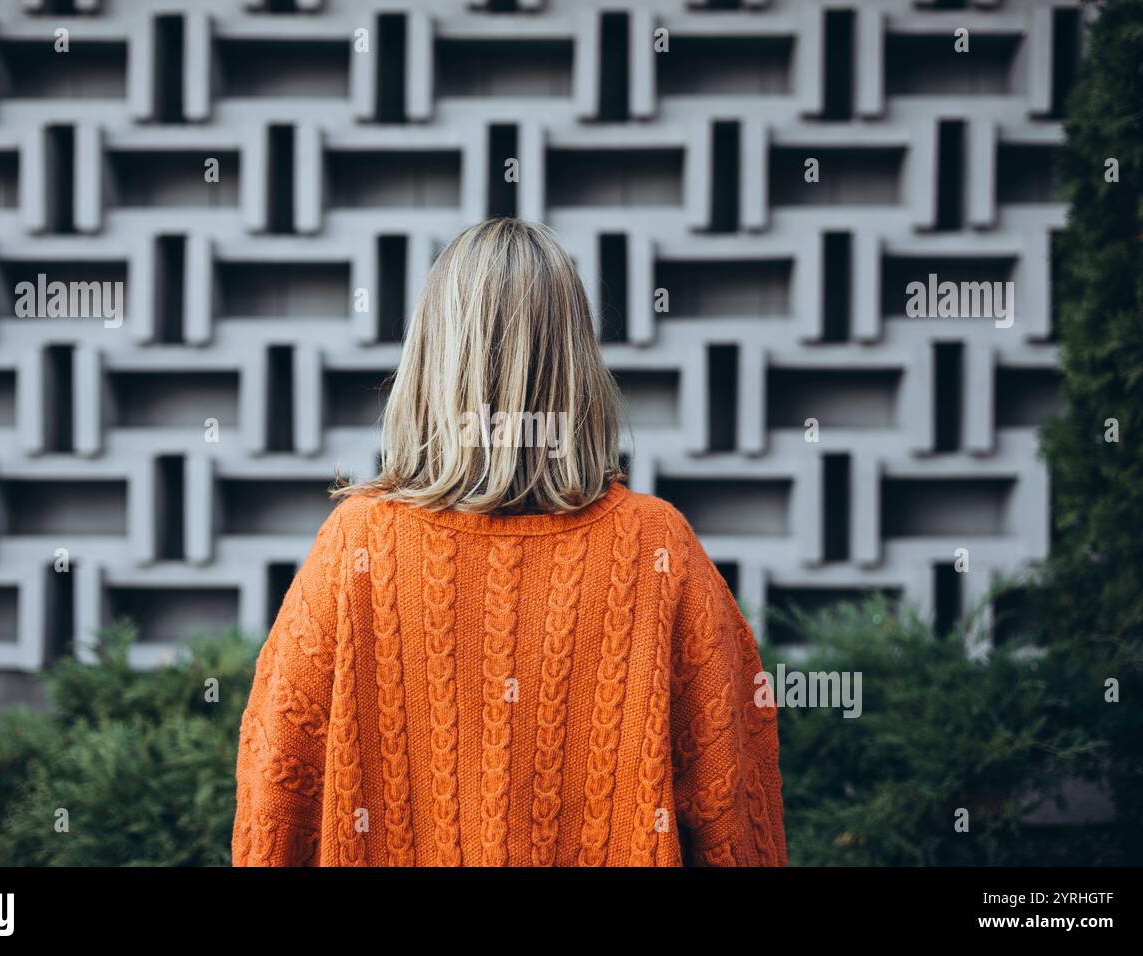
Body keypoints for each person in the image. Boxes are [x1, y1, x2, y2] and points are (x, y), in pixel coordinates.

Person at [231, 217, 787, 867]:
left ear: (431, 361)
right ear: (578, 362)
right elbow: (735, 818)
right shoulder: (658, 548)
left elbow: (275, 799)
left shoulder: (357, 547)